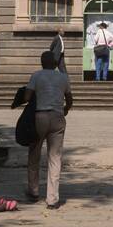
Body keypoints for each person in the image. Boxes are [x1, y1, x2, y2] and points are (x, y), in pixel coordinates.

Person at [25, 50, 73, 207]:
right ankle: (52, 199)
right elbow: (70, 99)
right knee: (55, 157)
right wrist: (65, 109)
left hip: (39, 117)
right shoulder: (63, 77)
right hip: (58, 118)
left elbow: (27, 97)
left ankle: (33, 191)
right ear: (54, 64)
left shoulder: (36, 76)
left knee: (34, 154)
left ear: (41, 63)